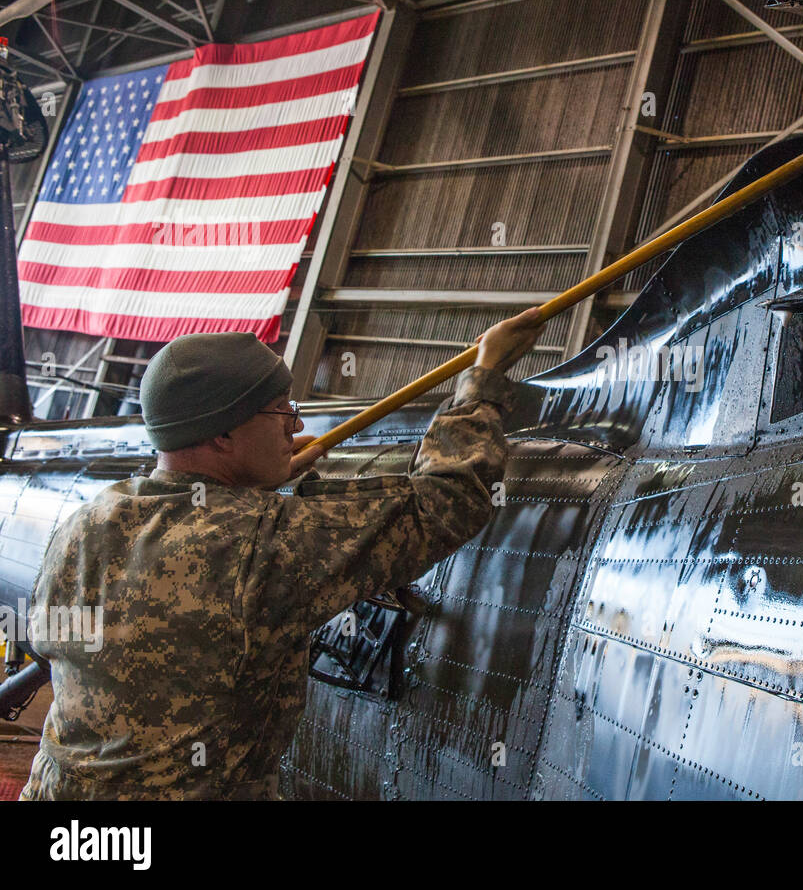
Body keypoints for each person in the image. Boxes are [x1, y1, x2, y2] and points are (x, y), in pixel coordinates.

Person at [20, 307, 545, 800]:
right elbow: (444, 503)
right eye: (280, 411)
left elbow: (53, 648)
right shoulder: (262, 541)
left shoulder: (85, 523)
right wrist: (486, 376)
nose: (295, 426)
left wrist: (247, 489)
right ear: (223, 434)